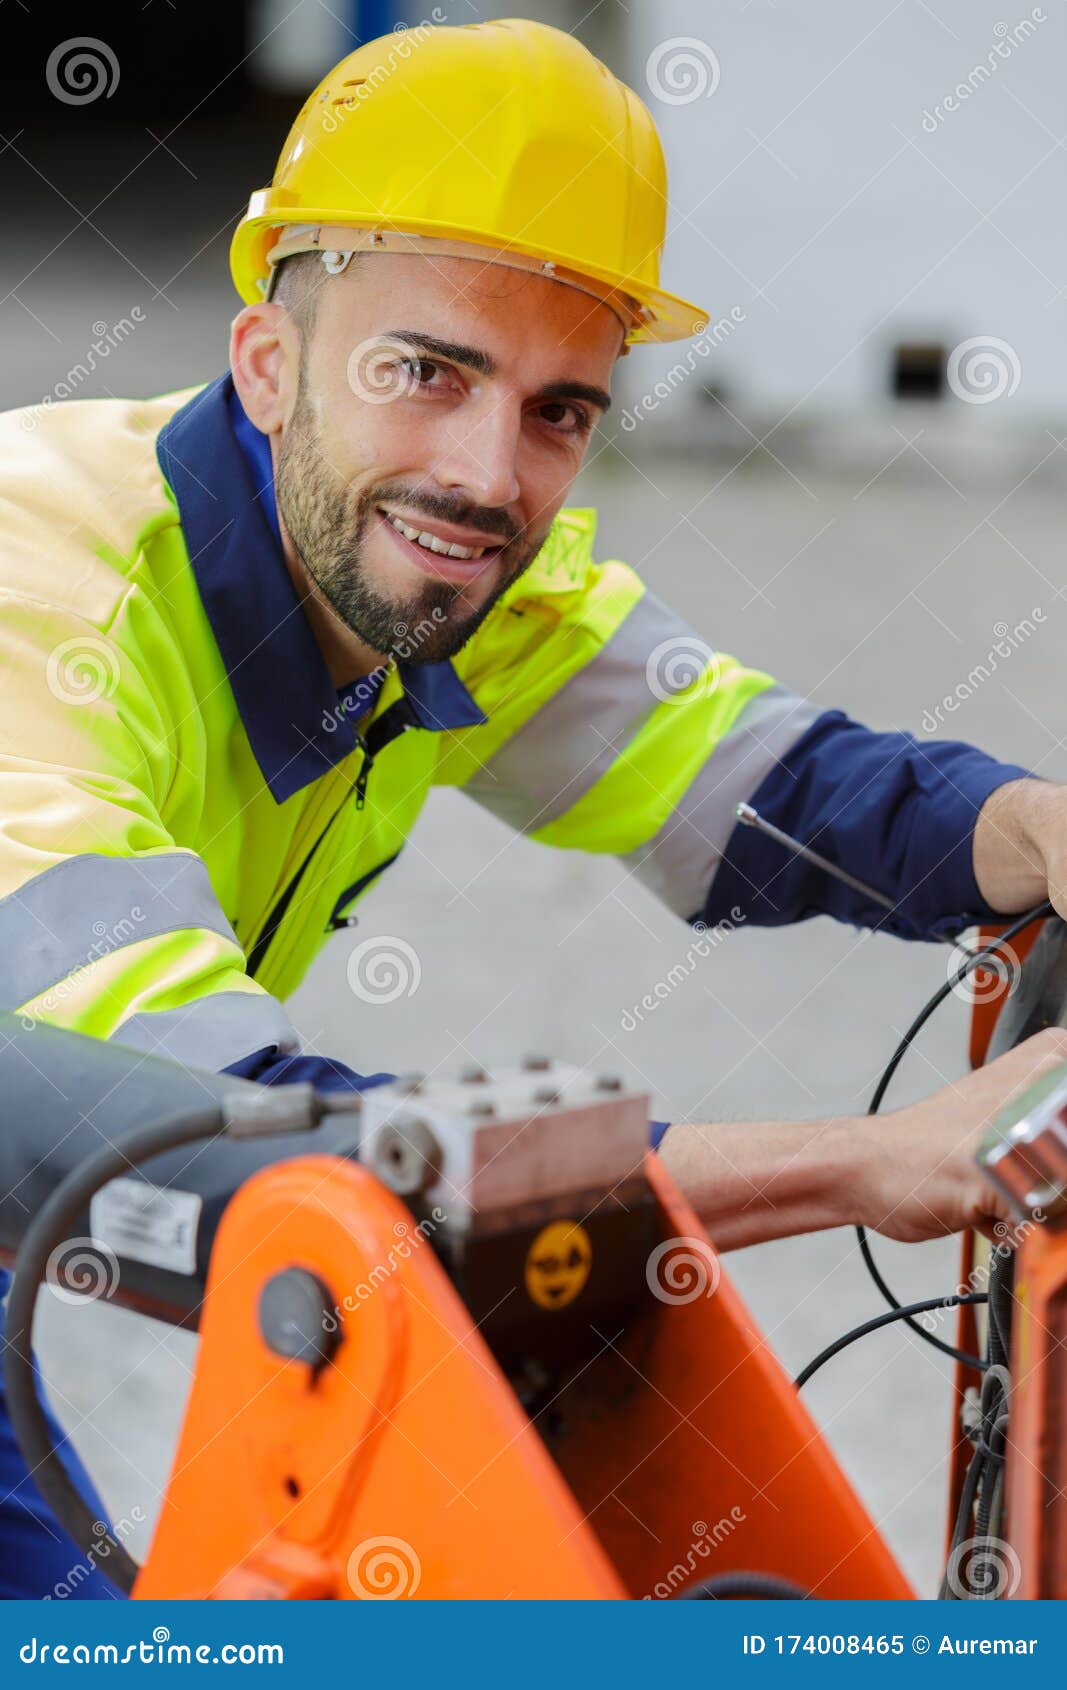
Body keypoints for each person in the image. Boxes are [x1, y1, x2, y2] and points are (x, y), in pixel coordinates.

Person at [1, 17, 1064, 1597]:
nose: (489, 477)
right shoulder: (44, 607)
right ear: (267, 360)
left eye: (560, 409)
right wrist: (858, 1161)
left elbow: (775, 792)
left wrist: (1037, 819)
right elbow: (210, 1160)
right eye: (426, 371)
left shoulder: (429, 561)